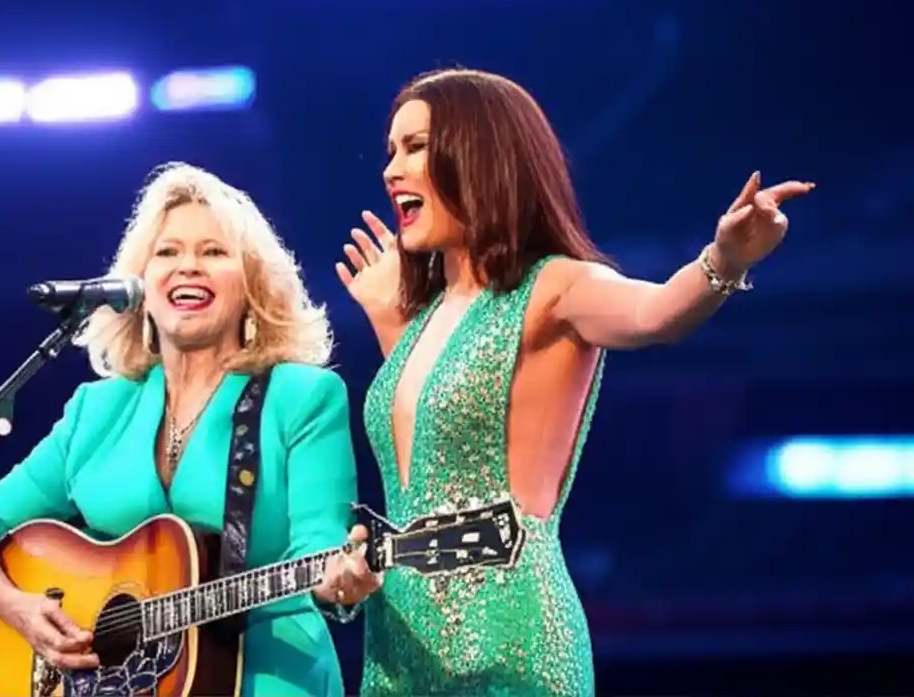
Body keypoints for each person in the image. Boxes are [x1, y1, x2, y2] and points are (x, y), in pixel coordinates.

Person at [330, 68, 815, 696]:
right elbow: (432, 452)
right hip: (399, 650)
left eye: (415, 147)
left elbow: (657, 313)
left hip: (507, 640)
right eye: (391, 151)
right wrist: (392, 320)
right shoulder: (427, 319)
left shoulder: (554, 286)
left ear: (480, 156)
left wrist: (725, 259)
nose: (392, 169)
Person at [0, 161, 372, 696]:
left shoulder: (301, 397)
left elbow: (322, 546)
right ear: (139, 288)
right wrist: (23, 611)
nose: (188, 267)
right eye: (168, 252)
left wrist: (339, 580)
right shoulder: (97, 410)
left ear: (253, 287)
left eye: (214, 252)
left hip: (265, 674)